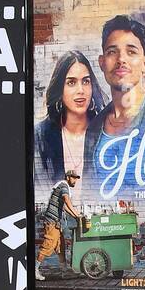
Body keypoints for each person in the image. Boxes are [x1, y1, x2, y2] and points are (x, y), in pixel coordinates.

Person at [86, 15, 145, 196]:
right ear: (102, 62)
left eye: (131, 52)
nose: (121, 59)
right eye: (112, 52)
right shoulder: (94, 128)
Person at [34, 50, 108, 197]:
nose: (80, 90)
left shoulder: (106, 133)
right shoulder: (40, 136)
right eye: (71, 82)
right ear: (60, 88)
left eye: (86, 81)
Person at [35, 169, 83, 279]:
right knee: (48, 246)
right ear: (68, 177)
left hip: (56, 223)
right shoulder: (63, 186)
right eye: (73, 178)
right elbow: (66, 201)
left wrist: (76, 215)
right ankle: (35, 270)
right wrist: (77, 215)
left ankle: (64, 271)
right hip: (52, 222)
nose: (75, 180)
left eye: (76, 178)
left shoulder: (62, 186)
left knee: (60, 246)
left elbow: (65, 207)